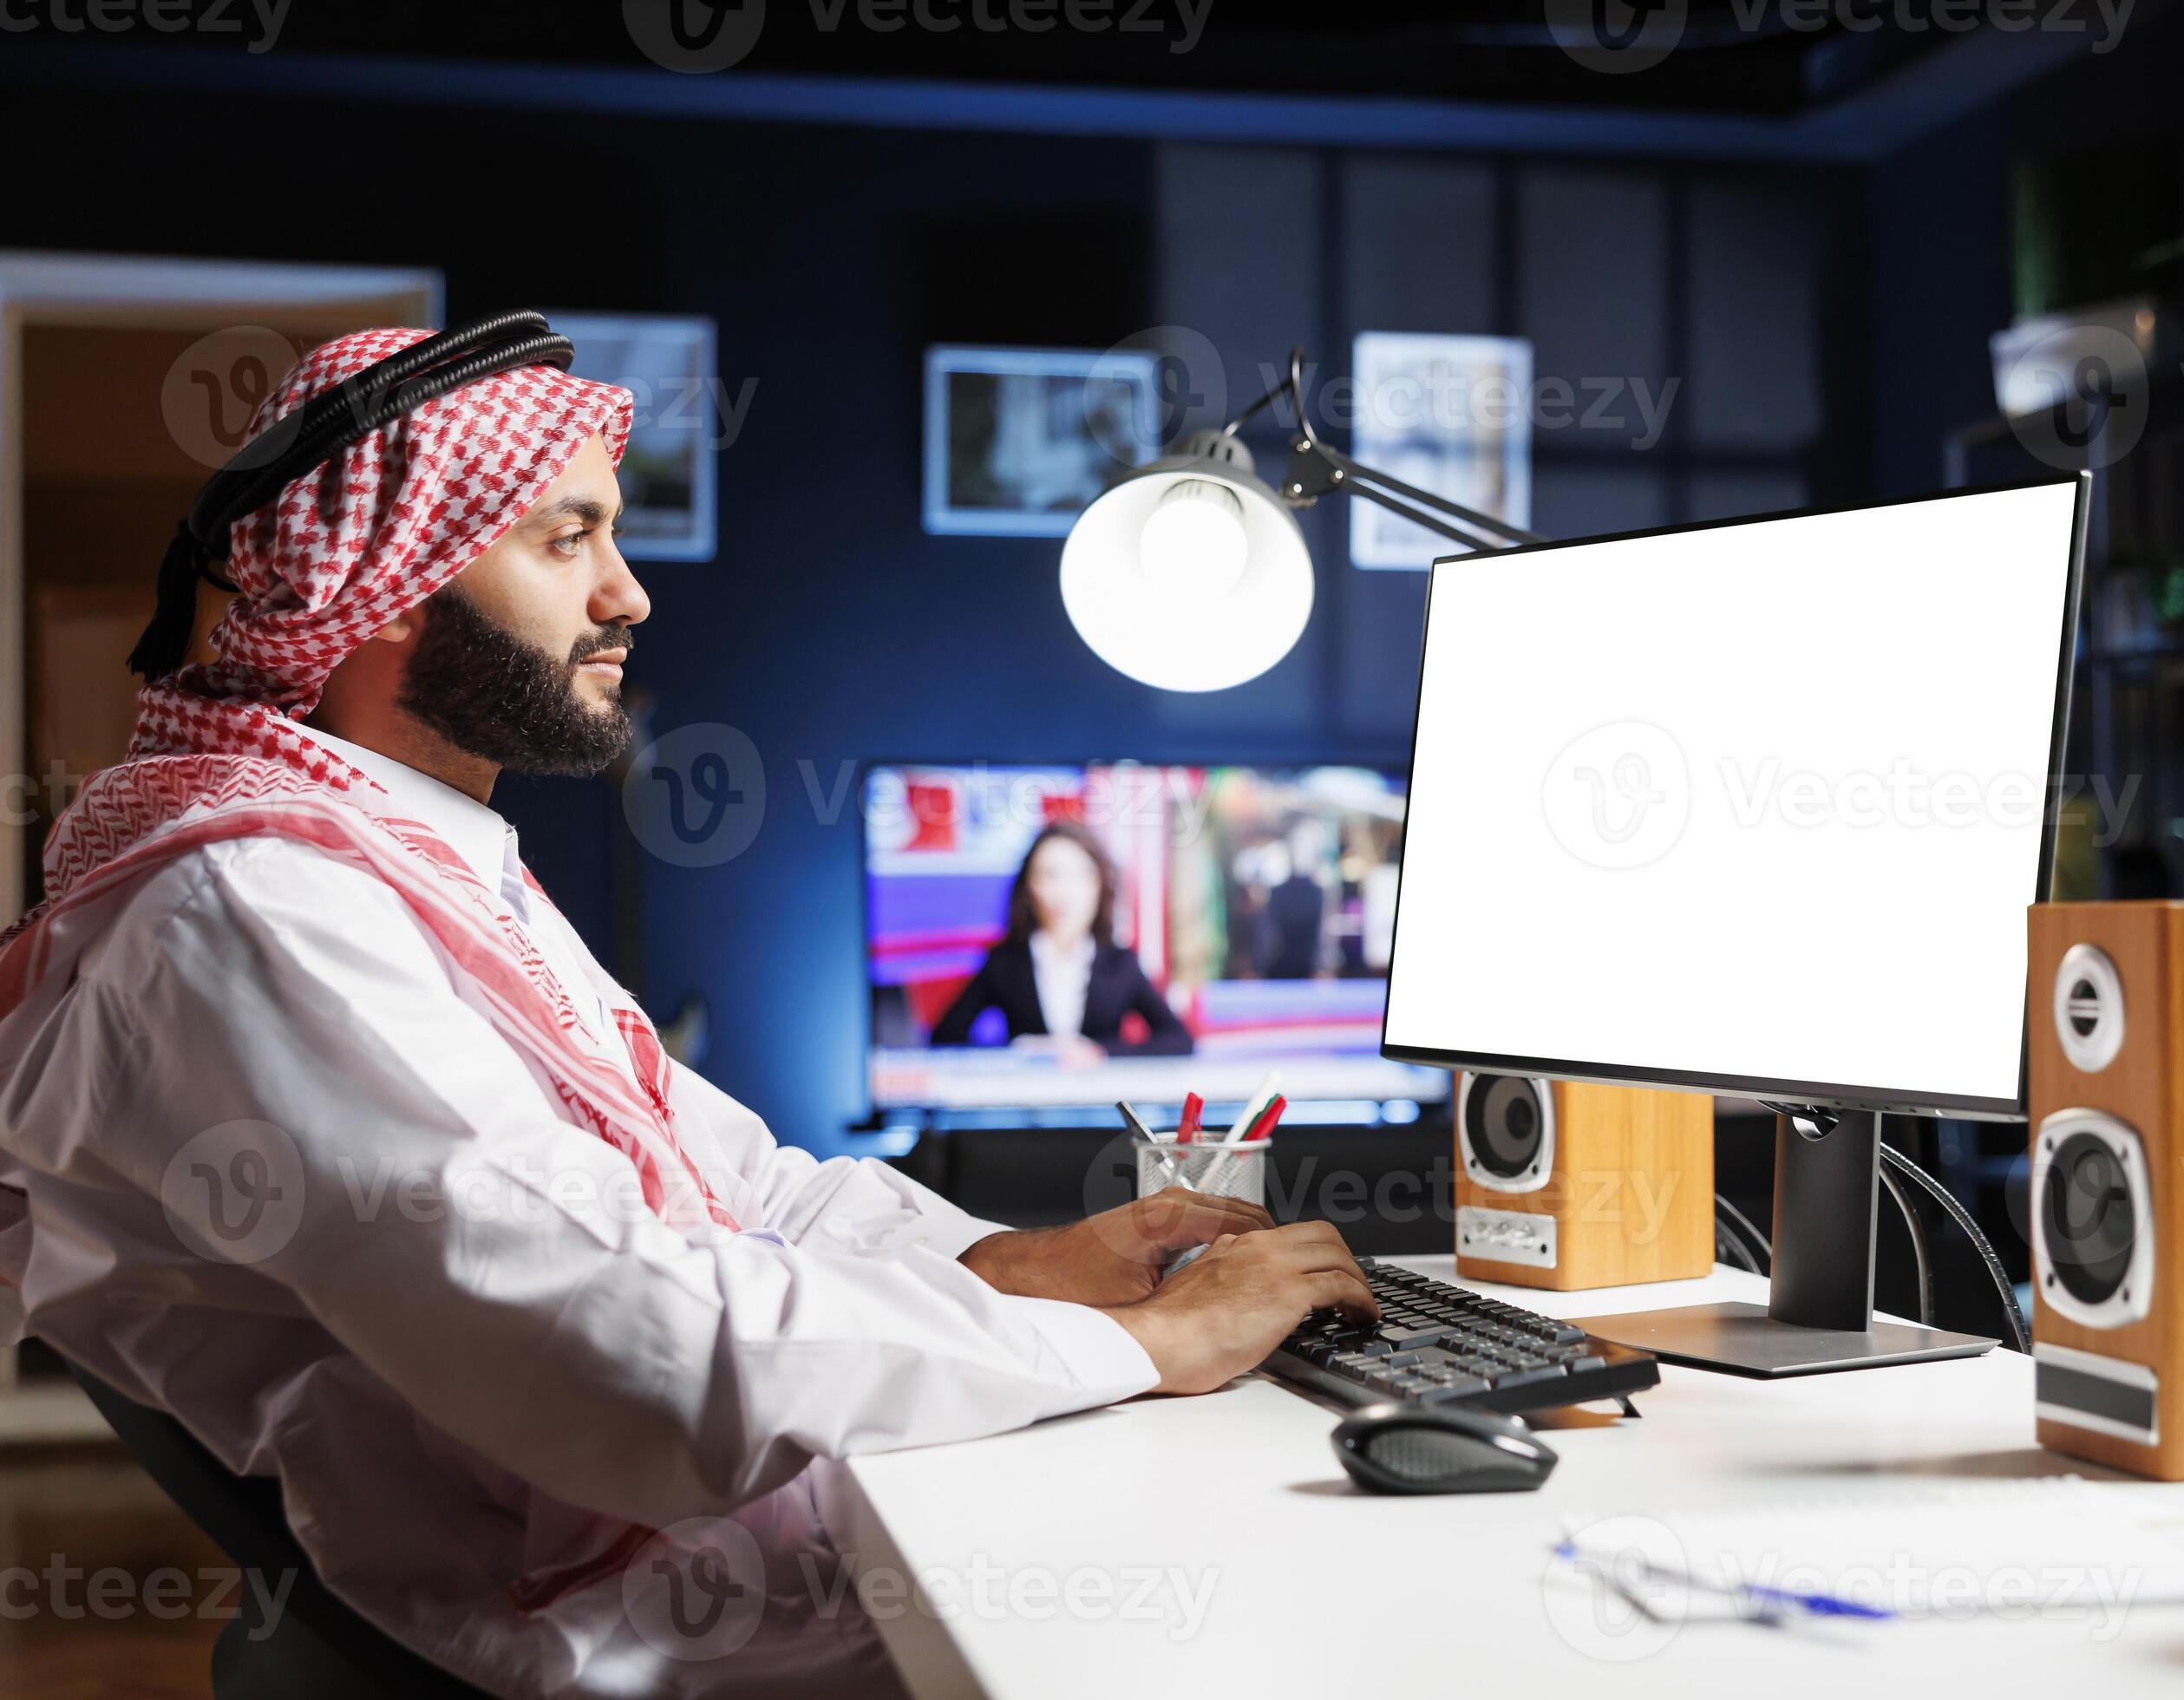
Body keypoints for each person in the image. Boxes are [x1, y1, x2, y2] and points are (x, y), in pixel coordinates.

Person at [0, 326, 1373, 1699]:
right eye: (567, 539)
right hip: (642, 1630)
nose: (630, 593)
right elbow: (628, 1350)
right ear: (390, 588)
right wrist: (1135, 1343)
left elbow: (752, 1190)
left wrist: (1024, 1261)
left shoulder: (401, 870)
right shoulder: (255, 915)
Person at [927, 820, 1193, 1060]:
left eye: (1080, 875)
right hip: (1027, 1106)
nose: (1065, 892)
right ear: (1028, 886)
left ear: (1099, 885)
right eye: (1050, 875)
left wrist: (1101, 1052)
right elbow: (945, 1038)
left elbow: (1178, 1040)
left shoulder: (1119, 963)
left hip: (1101, 1104)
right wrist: (1018, 1051)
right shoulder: (1005, 962)